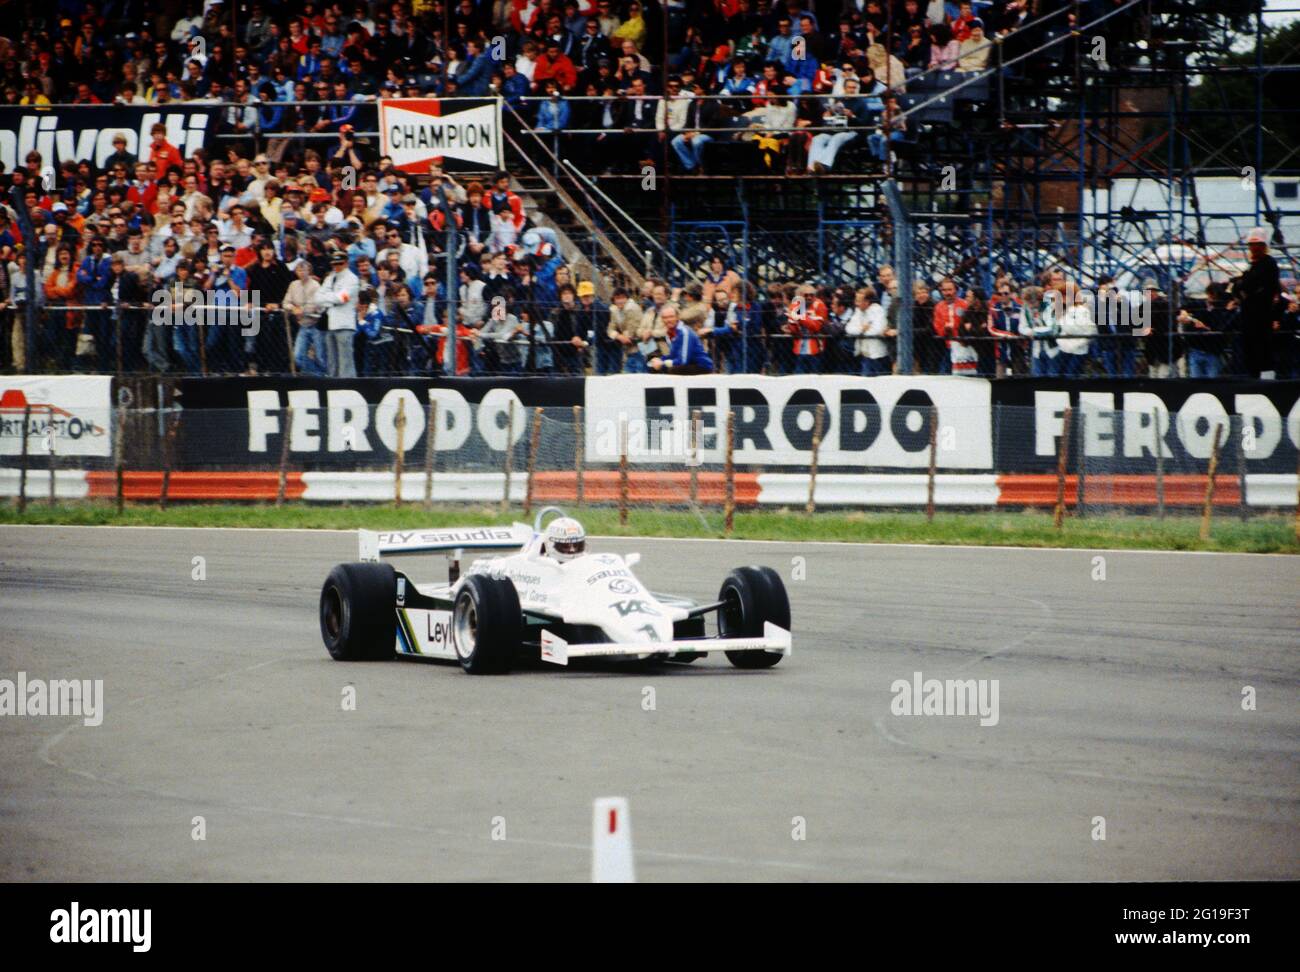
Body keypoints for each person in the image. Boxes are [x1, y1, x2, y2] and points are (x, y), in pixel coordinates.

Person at [1232, 227, 1284, 378]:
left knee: (1264, 351)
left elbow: (1249, 284)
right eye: (1251, 245)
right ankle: (1253, 379)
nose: (1254, 248)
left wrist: (1243, 284)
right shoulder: (1252, 265)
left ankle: (1267, 382)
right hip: (1248, 315)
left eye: (1258, 244)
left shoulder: (1268, 263)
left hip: (1262, 314)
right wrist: (1241, 285)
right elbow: (1237, 287)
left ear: (1264, 246)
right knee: (1250, 350)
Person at [317, 250, 358, 377]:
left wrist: (327, 298)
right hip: (331, 323)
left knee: (345, 362)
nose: (337, 267)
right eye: (334, 264)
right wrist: (332, 299)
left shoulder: (352, 279)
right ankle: (333, 384)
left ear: (346, 263)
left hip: (345, 324)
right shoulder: (330, 278)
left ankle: (348, 385)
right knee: (332, 362)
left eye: (340, 263)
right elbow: (317, 297)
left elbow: (342, 298)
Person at [648, 304, 713, 374]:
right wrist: (659, 360)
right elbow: (673, 356)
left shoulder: (684, 332)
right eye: (665, 318)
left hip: (702, 366)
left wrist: (662, 363)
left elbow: (683, 360)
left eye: (671, 317)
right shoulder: (669, 333)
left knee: (673, 369)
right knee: (653, 366)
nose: (668, 320)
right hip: (688, 364)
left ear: (677, 317)